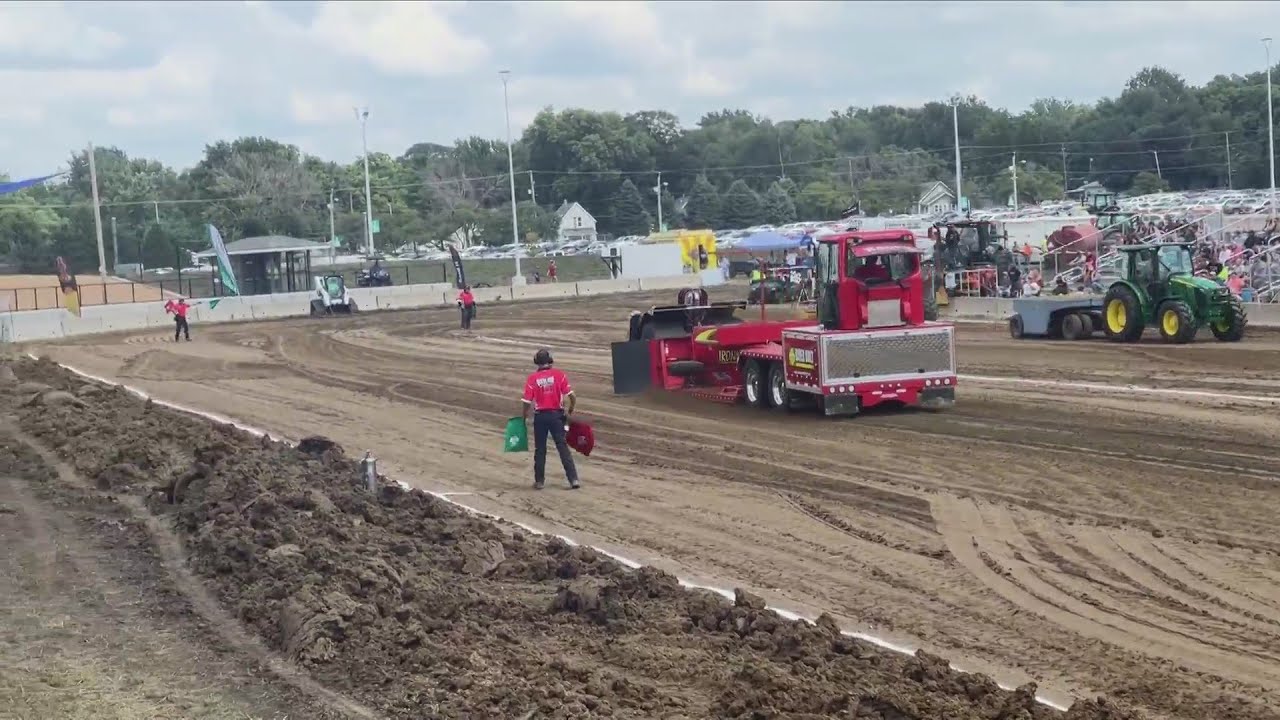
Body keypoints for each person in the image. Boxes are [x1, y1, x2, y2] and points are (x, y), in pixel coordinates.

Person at [521, 348, 579, 490]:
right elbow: (572, 396)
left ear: (536, 362)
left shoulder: (532, 379)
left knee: (540, 449)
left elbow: (527, 401)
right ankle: (573, 479)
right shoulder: (559, 375)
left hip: (540, 417)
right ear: (550, 360)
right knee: (562, 447)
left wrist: (524, 415)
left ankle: (539, 481)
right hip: (556, 416)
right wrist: (570, 409)